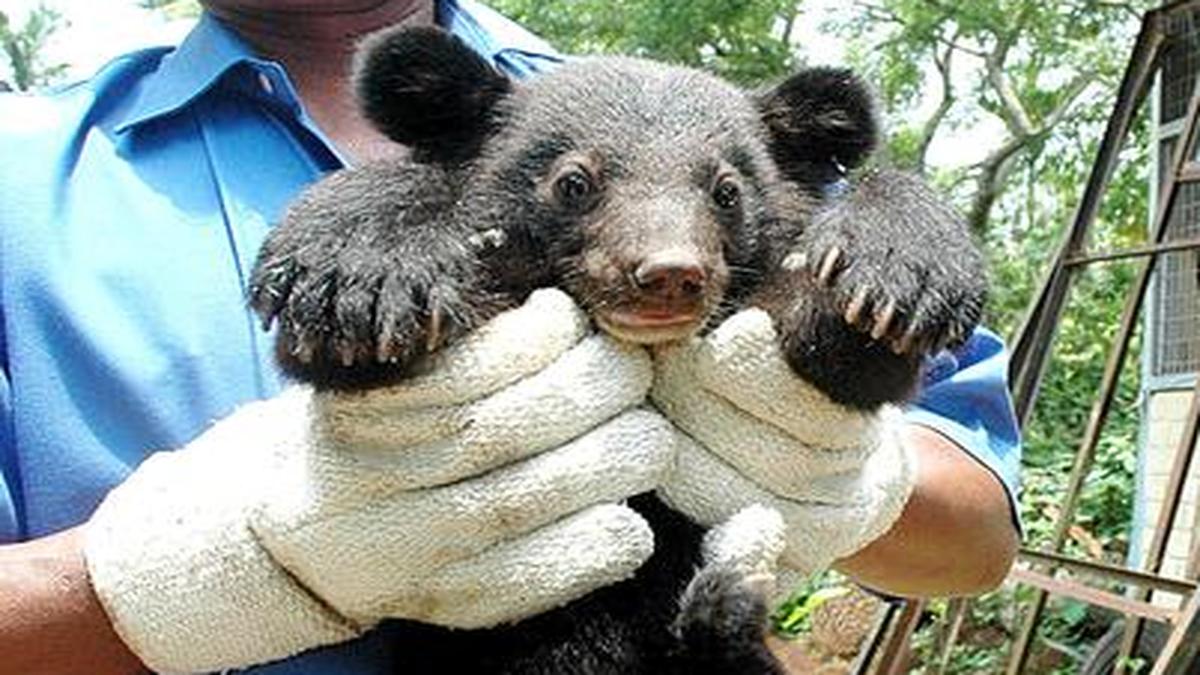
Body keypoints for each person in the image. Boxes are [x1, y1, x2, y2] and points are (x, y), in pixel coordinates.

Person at [0, 1, 1021, 673]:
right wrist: (175, 573)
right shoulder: (21, 170)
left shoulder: (670, 106)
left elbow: (979, 536)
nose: (673, 256)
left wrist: (860, 478)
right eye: (579, 189)